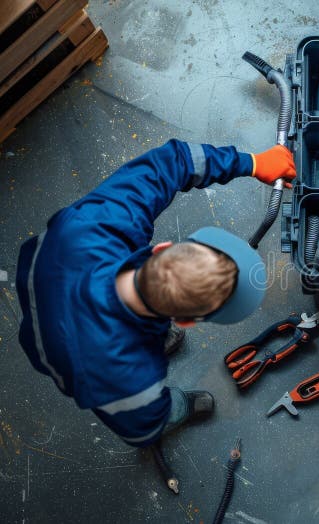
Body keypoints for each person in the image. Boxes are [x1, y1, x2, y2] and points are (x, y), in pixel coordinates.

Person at [15, 140, 296, 447]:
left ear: (162, 248)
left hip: (47, 277)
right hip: (56, 348)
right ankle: (179, 408)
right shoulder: (131, 378)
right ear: (186, 322)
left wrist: (252, 162)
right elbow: (139, 430)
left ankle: (155, 334)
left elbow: (174, 161)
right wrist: (160, 411)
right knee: (159, 412)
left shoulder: (103, 224)